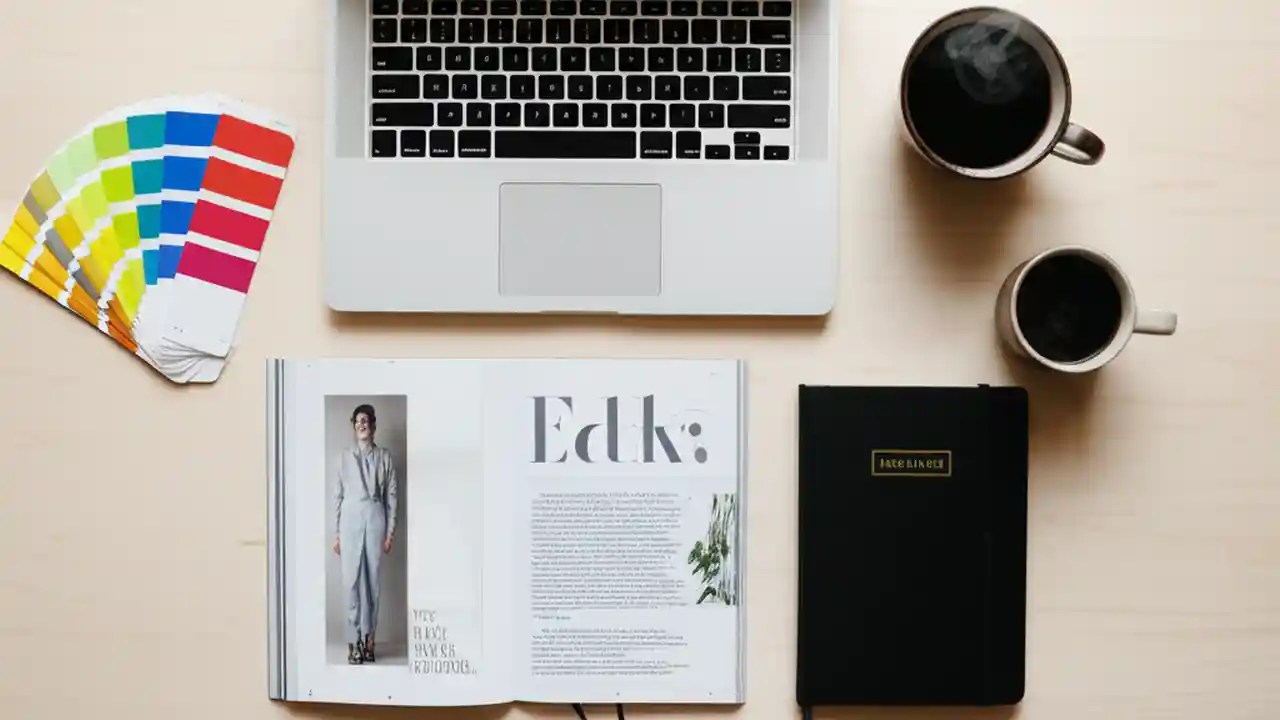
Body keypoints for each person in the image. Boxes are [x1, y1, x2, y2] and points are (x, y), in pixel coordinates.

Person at [332, 403, 398, 664]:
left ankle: (369, 639)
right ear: (354, 425)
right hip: (349, 521)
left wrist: (390, 531)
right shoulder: (343, 457)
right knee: (350, 582)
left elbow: (392, 497)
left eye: (366, 420)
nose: (362, 424)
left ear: (373, 425)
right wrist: (336, 533)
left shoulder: (384, 457)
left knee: (372, 584)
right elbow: (337, 497)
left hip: (375, 519)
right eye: (358, 420)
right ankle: (353, 641)